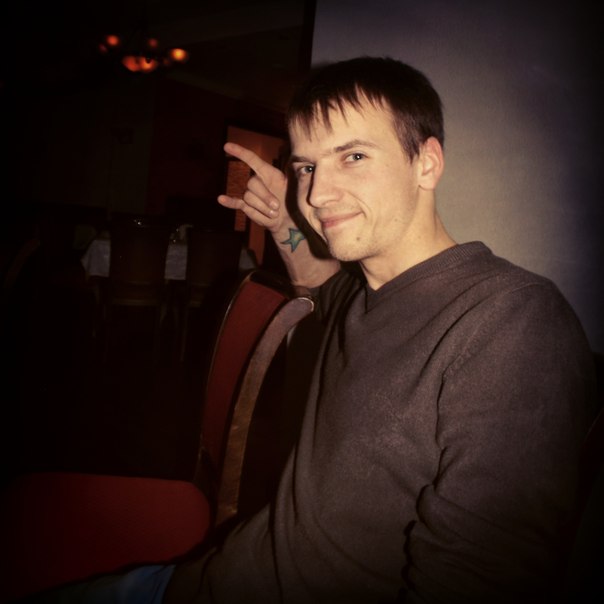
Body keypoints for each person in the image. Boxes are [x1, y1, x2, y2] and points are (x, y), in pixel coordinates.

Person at [28, 56, 596, 603]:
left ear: (427, 162)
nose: (317, 194)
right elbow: (317, 281)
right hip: (218, 573)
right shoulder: (366, 290)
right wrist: (283, 221)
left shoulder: (512, 324)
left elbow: (482, 578)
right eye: (307, 167)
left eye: (353, 156)